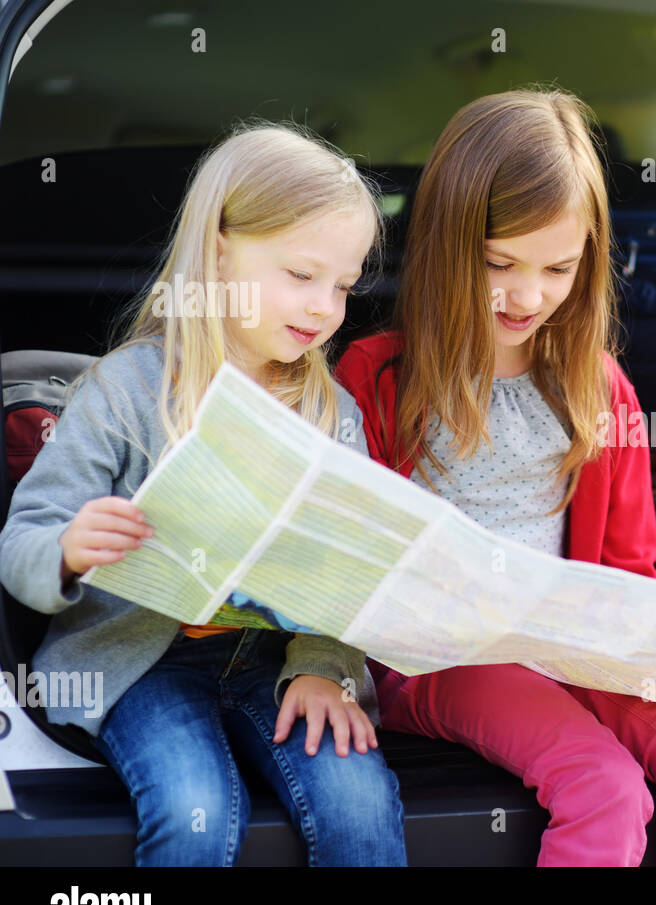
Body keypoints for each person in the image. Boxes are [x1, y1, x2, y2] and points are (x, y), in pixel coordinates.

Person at [336, 88, 656, 867]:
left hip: (578, 649)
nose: (528, 295)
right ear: (445, 245)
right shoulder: (378, 377)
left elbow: (630, 574)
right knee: (604, 786)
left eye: (558, 268)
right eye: (498, 263)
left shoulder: (599, 389)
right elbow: (346, 561)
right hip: (439, 661)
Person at [0, 122, 407, 866]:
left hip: (275, 658)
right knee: (195, 811)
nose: (324, 307)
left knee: (360, 803)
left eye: (344, 286)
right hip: (137, 664)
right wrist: (66, 551)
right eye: (301, 274)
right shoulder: (126, 390)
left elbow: (351, 565)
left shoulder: (330, 410)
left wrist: (322, 667)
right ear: (218, 251)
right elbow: (24, 537)